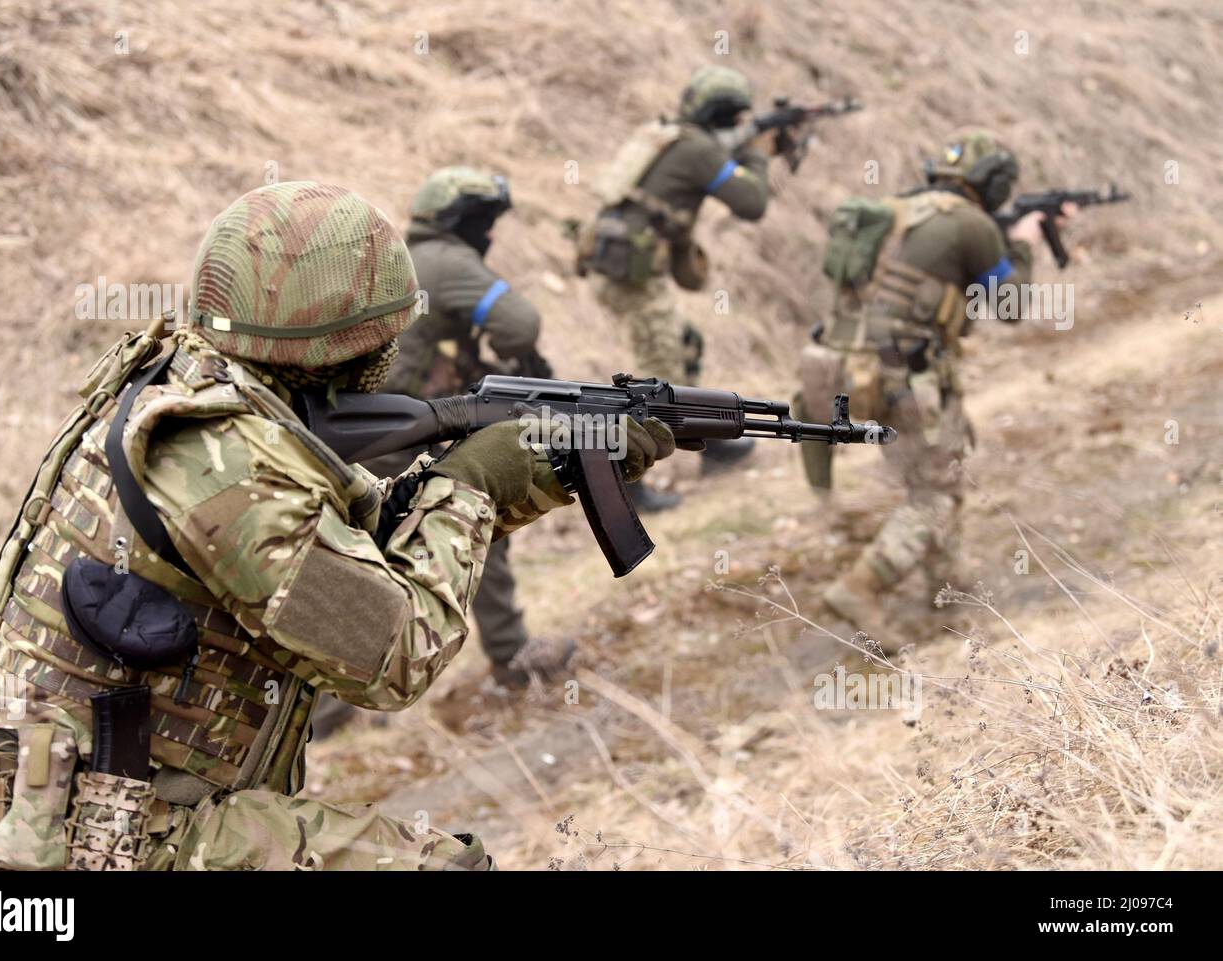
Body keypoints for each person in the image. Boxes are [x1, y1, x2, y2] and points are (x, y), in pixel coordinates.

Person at [0, 181, 674, 871]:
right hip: (80, 838)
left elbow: (360, 541)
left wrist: (535, 469)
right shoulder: (220, 467)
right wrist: (473, 483)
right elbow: (397, 656)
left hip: (67, 802)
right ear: (356, 341)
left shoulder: (197, 381)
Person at [309, 166, 571, 740]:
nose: (490, 234)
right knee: (430, 532)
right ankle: (325, 712)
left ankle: (326, 711)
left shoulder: (404, 258)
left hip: (378, 428)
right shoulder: (447, 261)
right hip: (404, 432)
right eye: (484, 220)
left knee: (369, 549)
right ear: (461, 222)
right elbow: (521, 323)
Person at [796, 130, 1076, 634]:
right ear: (990, 185)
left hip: (851, 367)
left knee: (937, 473)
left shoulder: (900, 210)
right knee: (935, 495)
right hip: (904, 375)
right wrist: (1024, 245)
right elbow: (1010, 307)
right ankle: (860, 587)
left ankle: (948, 584)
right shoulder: (971, 224)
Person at [579, 65, 775, 510]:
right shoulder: (700, 150)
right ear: (726, 115)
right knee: (655, 381)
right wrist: (758, 154)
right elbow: (752, 203)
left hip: (617, 265)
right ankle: (624, 483)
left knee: (685, 343)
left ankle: (708, 442)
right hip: (632, 273)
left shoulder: (669, 135)